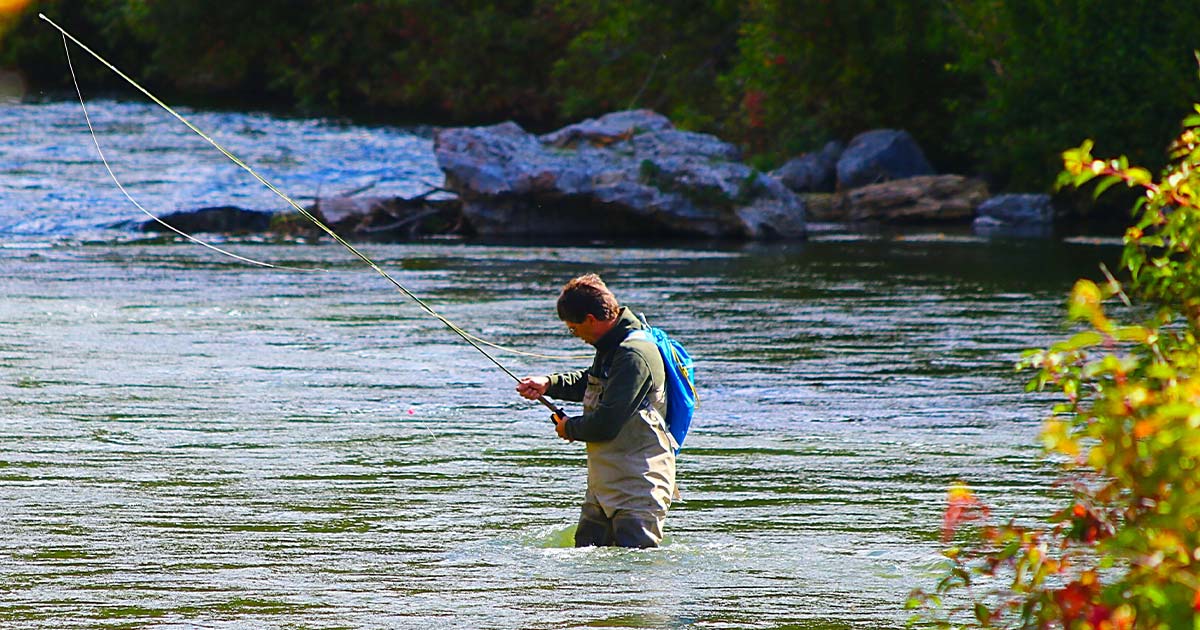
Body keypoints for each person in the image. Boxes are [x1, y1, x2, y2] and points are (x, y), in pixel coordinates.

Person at [516, 274, 675, 548]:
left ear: (590, 319)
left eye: (573, 328)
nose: (575, 335)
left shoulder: (633, 354)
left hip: (638, 486)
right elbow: (593, 383)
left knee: (632, 575)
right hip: (605, 483)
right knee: (590, 567)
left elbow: (606, 423)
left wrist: (569, 428)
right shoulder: (613, 346)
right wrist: (549, 384)